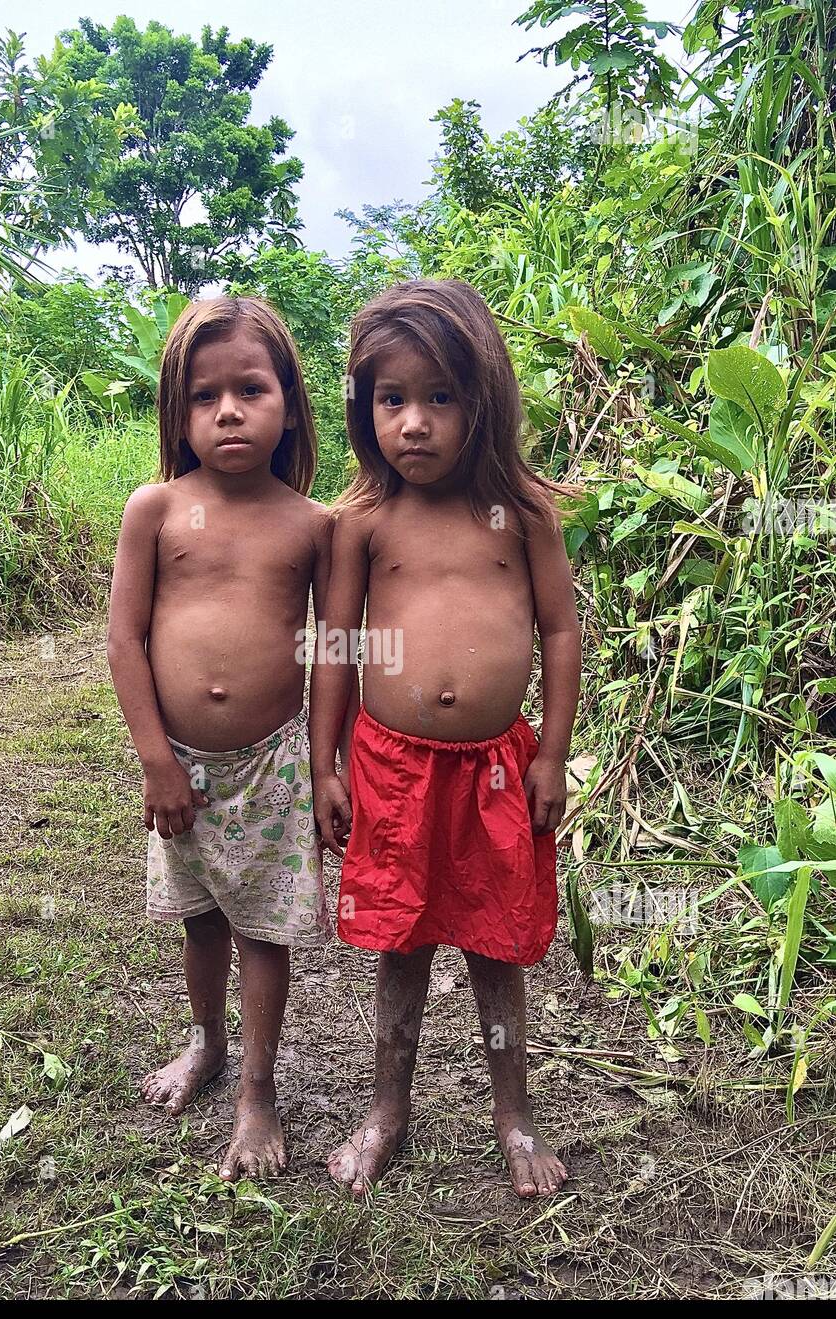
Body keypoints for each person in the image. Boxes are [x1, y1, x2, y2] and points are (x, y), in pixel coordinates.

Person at [310, 278, 581, 1198]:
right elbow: (337, 651)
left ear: (484, 401)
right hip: (391, 768)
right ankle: (389, 1110)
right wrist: (327, 765)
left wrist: (552, 755)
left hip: (500, 772)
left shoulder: (523, 513)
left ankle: (513, 1116)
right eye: (392, 399)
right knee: (403, 944)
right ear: (364, 408)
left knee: (497, 947)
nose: (414, 423)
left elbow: (561, 633)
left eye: (439, 397)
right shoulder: (365, 524)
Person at [108, 294, 339, 1180]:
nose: (229, 411)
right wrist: (156, 760)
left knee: (263, 930)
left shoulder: (312, 525)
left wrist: (325, 768)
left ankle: (258, 1091)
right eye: (205, 397)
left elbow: (329, 655)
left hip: (272, 766)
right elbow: (125, 639)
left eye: (252, 388)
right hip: (182, 770)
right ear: (180, 411)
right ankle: (204, 1043)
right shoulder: (155, 509)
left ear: (289, 401)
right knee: (199, 922)